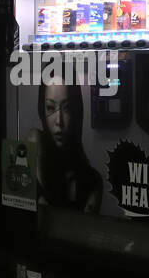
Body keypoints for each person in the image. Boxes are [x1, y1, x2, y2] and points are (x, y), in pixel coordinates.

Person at [32, 82, 102, 212]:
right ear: (42, 110)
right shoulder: (34, 144)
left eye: (67, 108)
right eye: (50, 107)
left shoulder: (93, 182)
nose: (59, 121)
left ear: (76, 112)